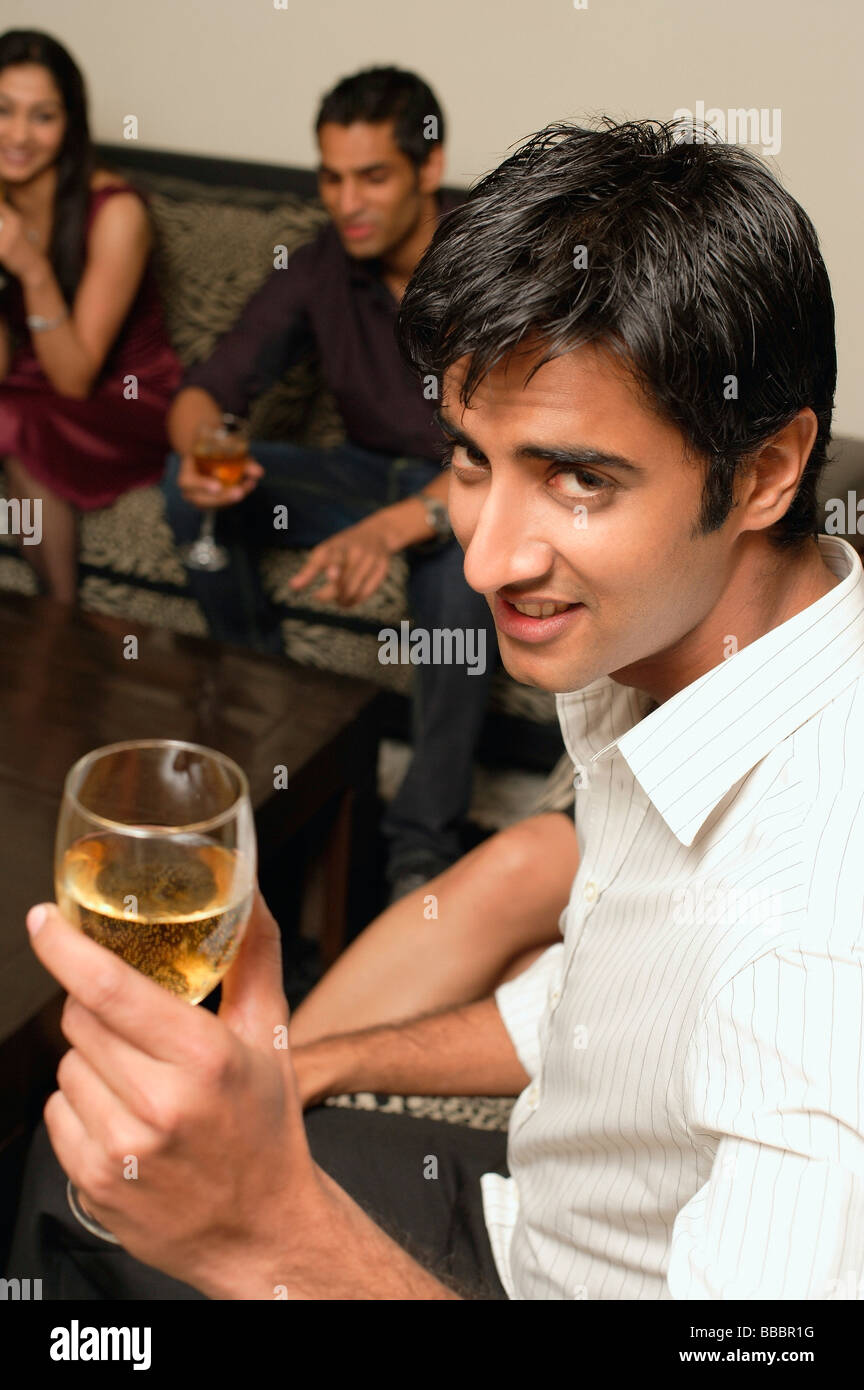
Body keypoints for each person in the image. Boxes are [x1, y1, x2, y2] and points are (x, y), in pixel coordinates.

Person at [11, 117, 864, 1301]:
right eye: (472, 459)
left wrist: (267, 1237)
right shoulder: (683, 666)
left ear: (768, 469)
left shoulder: (820, 930)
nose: (485, 561)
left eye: (577, 476)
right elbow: (597, 1005)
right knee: (70, 1174)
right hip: (519, 1217)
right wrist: (310, 1059)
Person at [163, 66, 497, 900]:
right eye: (332, 176)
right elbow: (210, 387)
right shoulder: (319, 264)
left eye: (372, 176)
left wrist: (386, 532)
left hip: (472, 486)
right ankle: (271, 709)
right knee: (180, 485)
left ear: (428, 167)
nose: (348, 200)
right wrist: (204, 451)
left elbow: (507, 460)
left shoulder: (491, 261)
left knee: (462, 577)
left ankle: (421, 841)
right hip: (355, 473)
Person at [0, 29, 182, 603]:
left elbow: (75, 377)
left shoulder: (117, 211)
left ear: (71, 124)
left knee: (12, 417)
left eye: (43, 116)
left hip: (126, 398)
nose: (18, 135)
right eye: (2, 111)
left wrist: (30, 268)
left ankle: (60, 612)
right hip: (29, 380)